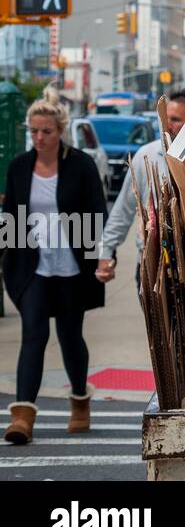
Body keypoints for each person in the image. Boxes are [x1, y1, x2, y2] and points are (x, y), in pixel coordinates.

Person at [3, 97, 109, 445]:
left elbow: (95, 214)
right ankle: (22, 417)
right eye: (33, 131)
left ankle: (80, 400)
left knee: (69, 336)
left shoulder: (81, 166)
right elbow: (11, 218)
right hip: (32, 266)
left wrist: (102, 259)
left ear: (61, 131)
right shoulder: (19, 167)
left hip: (71, 267)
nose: (39, 138)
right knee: (34, 334)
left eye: (46, 131)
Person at [96, 89, 185, 288]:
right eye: (165, 118)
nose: (168, 125)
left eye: (175, 119)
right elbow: (123, 209)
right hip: (151, 268)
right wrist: (106, 252)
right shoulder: (148, 156)